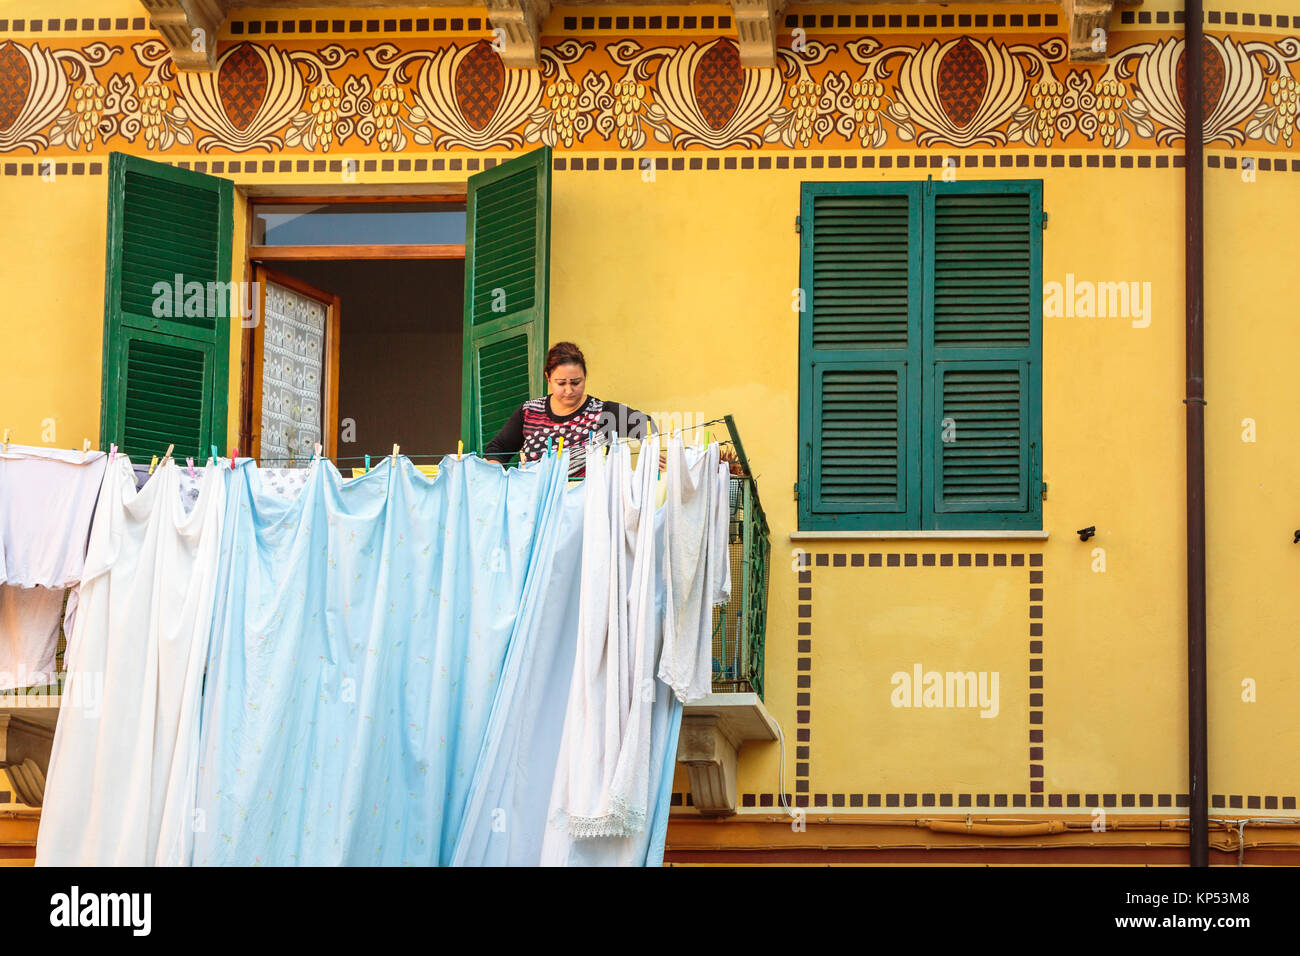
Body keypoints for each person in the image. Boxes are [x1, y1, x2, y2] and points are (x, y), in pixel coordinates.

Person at [483, 341, 657, 479]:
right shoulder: (529, 412)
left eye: (576, 383)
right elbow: (497, 449)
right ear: (548, 378)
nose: (569, 390)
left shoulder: (602, 412)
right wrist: (493, 475)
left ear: (585, 377)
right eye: (561, 383)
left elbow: (645, 425)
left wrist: (648, 452)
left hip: (586, 511)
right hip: (535, 509)